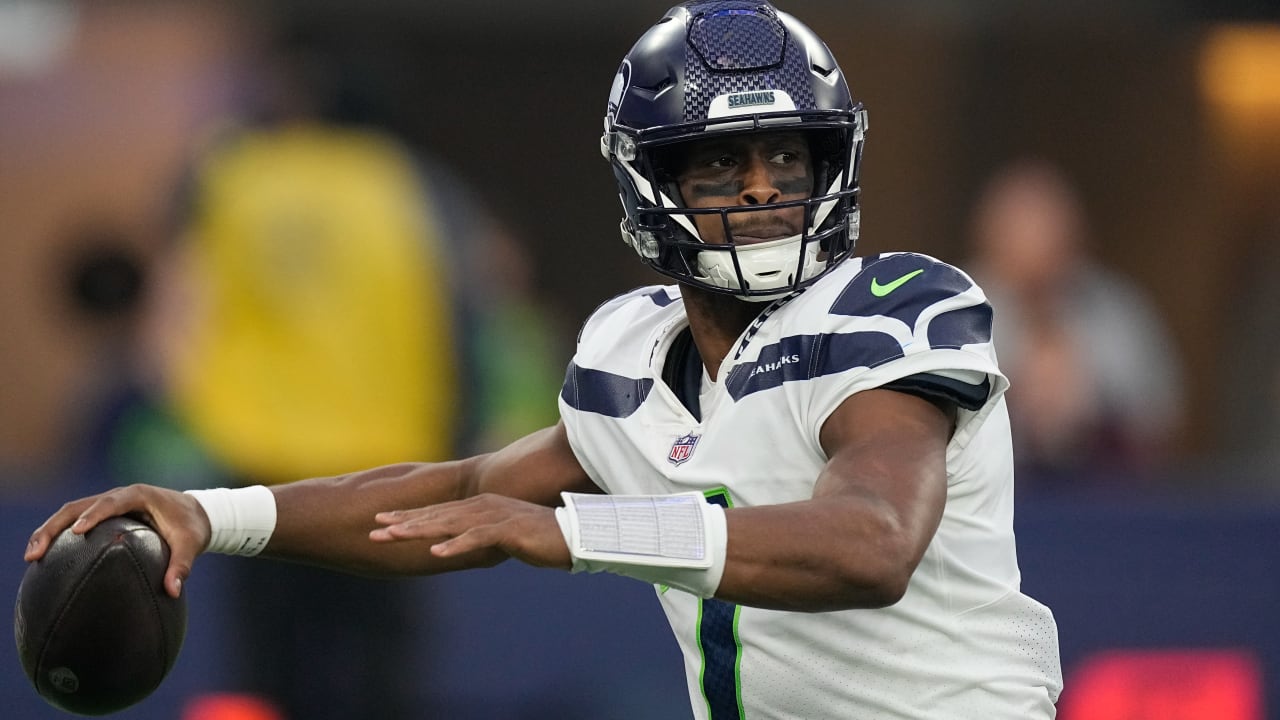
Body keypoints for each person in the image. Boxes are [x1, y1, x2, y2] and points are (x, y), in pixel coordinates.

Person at [26, 3, 1063, 718]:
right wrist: (215, 515)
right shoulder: (627, 354)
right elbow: (466, 494)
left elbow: (871, 541)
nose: (760, 188)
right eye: (720, 161)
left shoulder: (898, 308)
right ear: (650, 181)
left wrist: (572, 531)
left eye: (787, 156)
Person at [965, 157, 1185, 488]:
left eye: (1050, 235)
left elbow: (1164, 418)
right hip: (987, 503)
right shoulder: (953, 310)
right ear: (990, 239)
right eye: (1020, 233)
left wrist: (1091, 403)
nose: (1037, 256)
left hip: (1107, 508)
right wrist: (1016, 399)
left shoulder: (1117, 311)